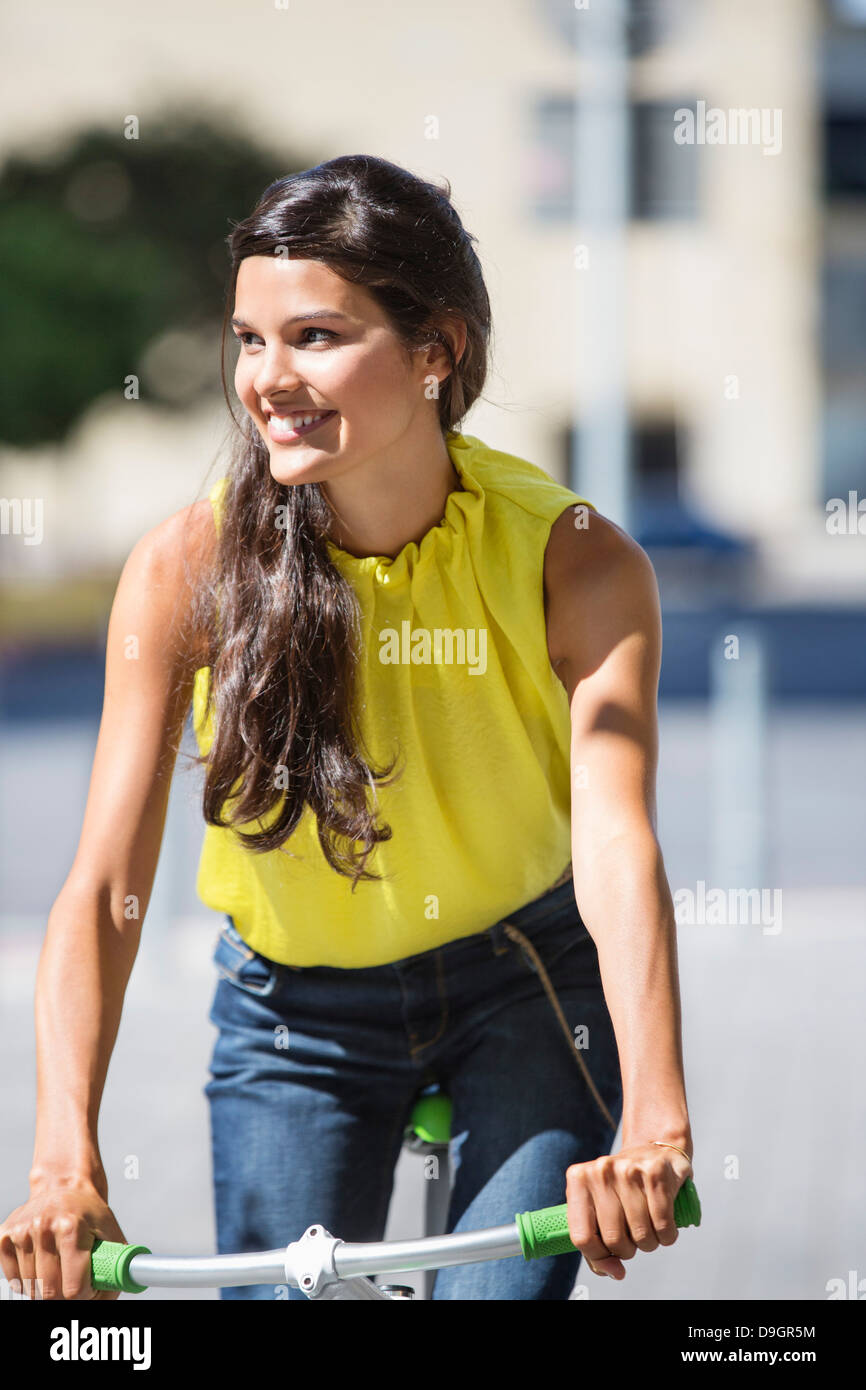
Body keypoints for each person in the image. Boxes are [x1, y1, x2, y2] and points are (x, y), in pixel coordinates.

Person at [0, 154, 693, 1302]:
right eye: (248, 339)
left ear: (436, 351)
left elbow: (615, 844)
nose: (267, 378)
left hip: (520, 982)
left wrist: (657, 1110)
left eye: (315, 336)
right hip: (291, 1012)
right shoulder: (186, 568)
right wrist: (62, 1155)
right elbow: (104, 883)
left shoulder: (572, 560)